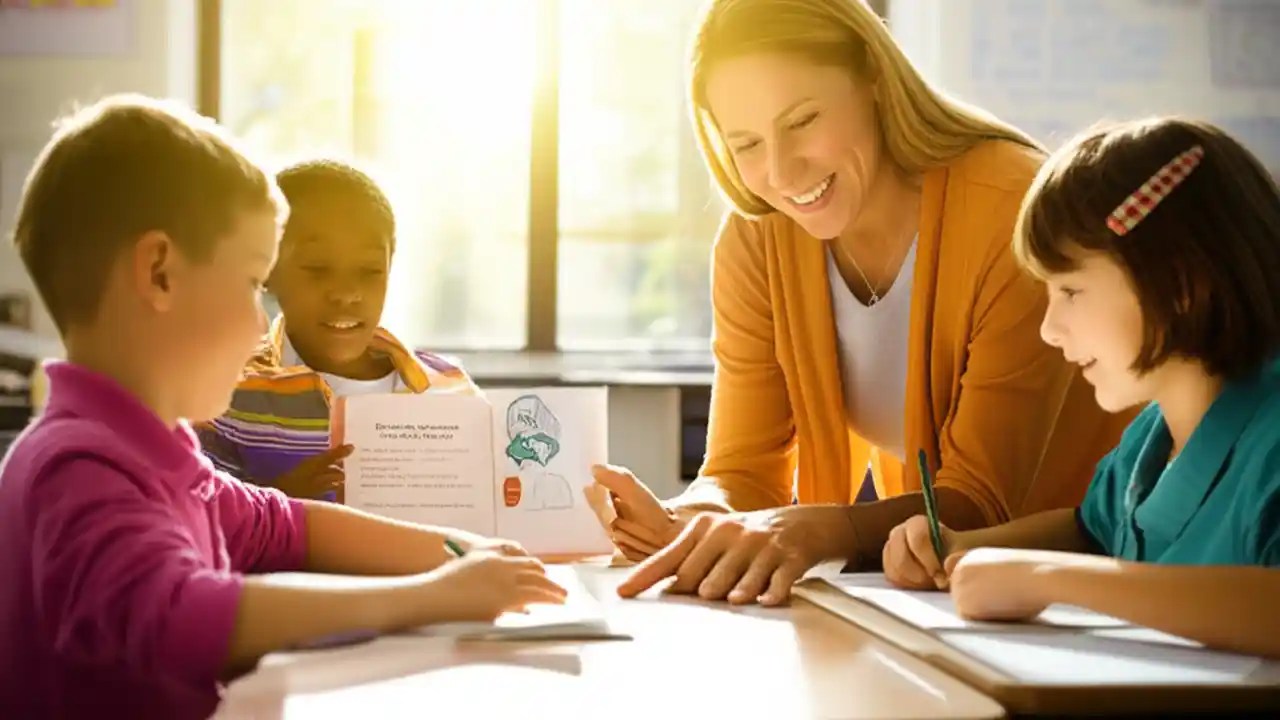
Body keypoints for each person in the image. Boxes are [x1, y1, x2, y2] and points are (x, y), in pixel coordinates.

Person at [0, 95, 564, 719]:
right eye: (250, 285)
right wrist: (430, 596)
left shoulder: (154, 452)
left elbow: (284, 526)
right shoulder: (77, 465)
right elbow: (179, 614)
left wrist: (458, 548)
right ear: (159, 273)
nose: (258, 325)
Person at [595, 0, 1130, 605]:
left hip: (1101, 572)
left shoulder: (1009, 210)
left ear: (873, 78)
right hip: (940, 592)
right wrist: (688, 519)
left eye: (802, 122)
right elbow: (742, 471)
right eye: (746, 143)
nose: (780, 171)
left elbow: (981, 501)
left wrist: (822, 530)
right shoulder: (757, 238)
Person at [883, 118, 1280, 659]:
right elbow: (1091, 530)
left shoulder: (1271, 439)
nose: (1049, 329)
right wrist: (962, 549)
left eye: (1070, 290)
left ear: (1181, 282)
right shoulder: (1149, 440)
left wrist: (1049, 577)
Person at [198, 159, 476, 500]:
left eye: (370, 270)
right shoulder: (223, 394)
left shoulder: (450, 391)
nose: (346, 293)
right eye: (317, 268)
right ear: (267, 267)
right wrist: (279, 505)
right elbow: (201, 525)